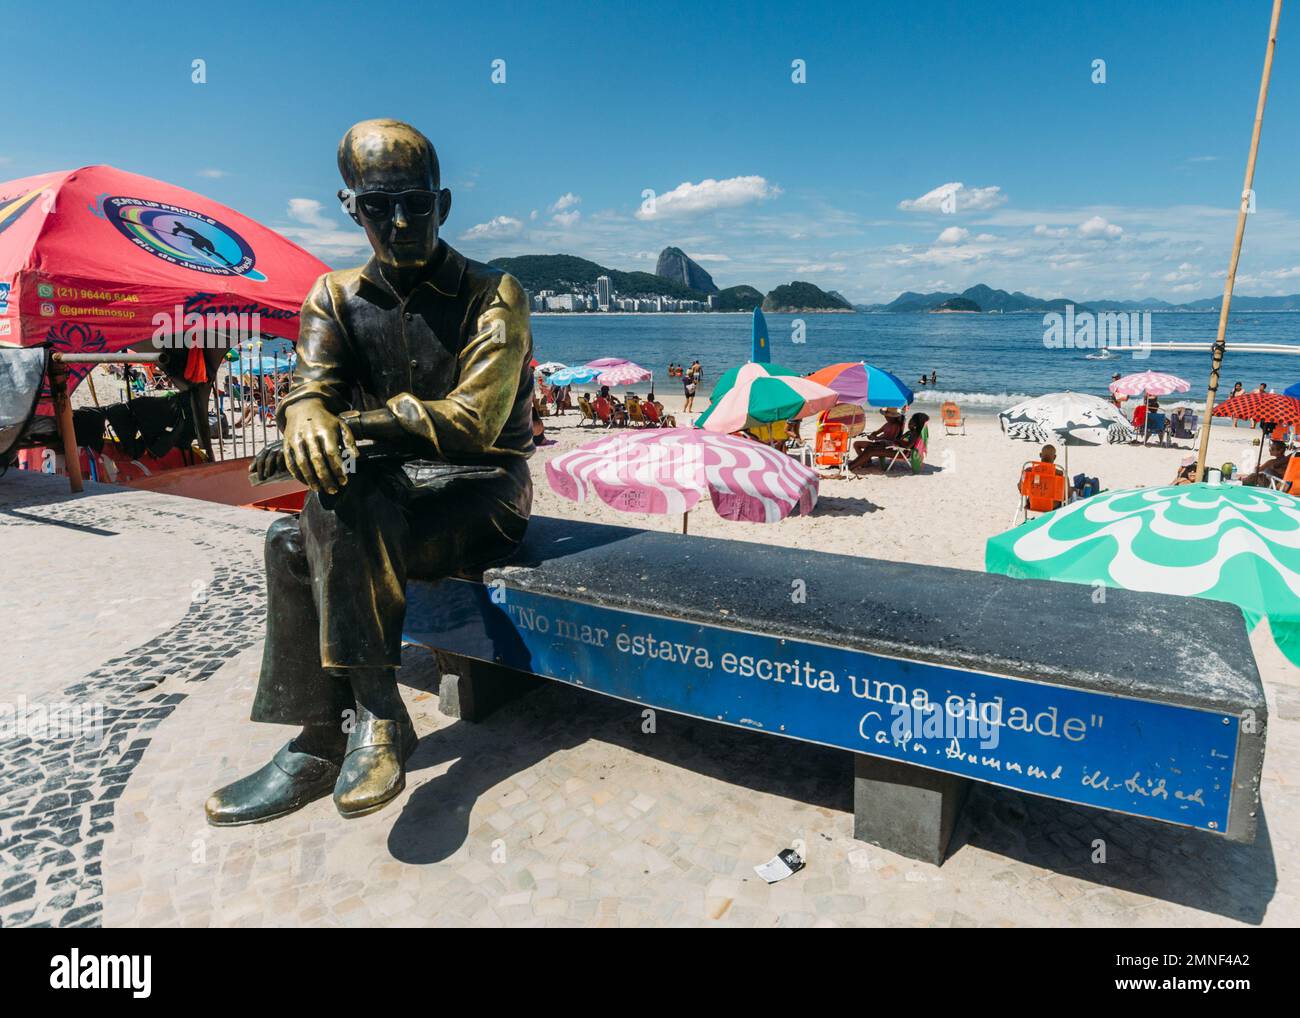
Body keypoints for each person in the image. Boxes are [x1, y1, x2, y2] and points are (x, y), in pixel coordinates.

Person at [206, 119, 534, 827]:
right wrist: (302, 418)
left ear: (442, 205)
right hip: (385, 497)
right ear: (350, 206)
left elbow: (475, 422)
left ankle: (372, 718)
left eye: (416, 203)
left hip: (485, 490)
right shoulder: (333, 296)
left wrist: (342, 426)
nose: (400, 221)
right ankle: (331, 735)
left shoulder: (494, 293)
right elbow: (310, 387)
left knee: (338, 506)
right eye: (379, 204)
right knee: (291, 541)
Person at [848, 408, 904, 473]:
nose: (885, 417)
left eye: (887, 416)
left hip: (887, 446)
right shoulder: (887, 424)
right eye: (885, 415)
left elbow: (892, 440)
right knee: (856, 444)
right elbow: (876, 432)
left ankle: (862, 462)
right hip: (880, 443)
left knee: (864, 447)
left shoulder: (896, 426)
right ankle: (866, 461)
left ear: (893, 417)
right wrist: (872, 435)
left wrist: (876, 438)